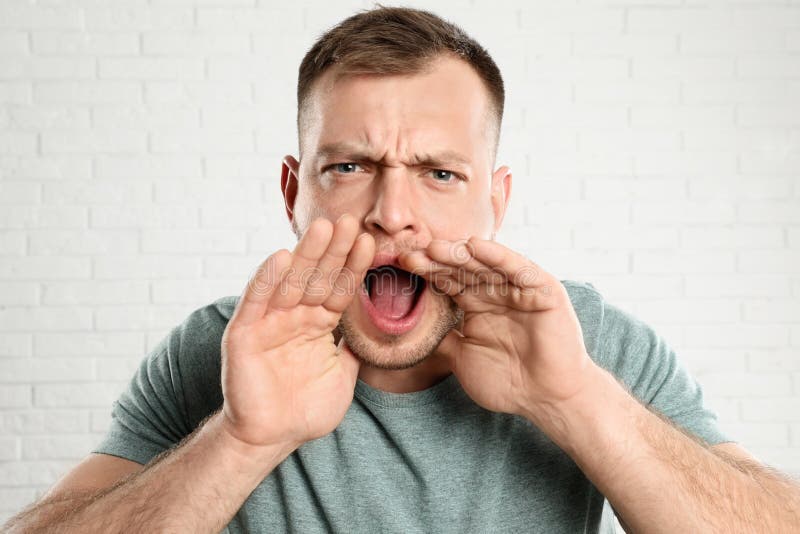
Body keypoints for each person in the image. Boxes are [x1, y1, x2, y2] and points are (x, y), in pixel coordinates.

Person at [5, 5, 800, 534]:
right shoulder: (220, 349)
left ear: (496, 200)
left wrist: (572, 400)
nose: (393, 211)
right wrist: (241, 440)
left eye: (440, 174)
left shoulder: (589, 345)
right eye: (349, 167)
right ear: (295, 193)